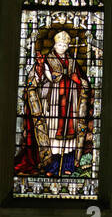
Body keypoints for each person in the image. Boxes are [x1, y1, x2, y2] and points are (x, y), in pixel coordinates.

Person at [15, 29, 92, 178]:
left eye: (64, 45)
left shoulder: (72, 62)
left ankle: (68, 166)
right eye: (59, 45)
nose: (62, 48)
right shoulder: (47, 60)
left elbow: (84, 83)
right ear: (54, 45)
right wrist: (42, 71)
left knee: (69, 138)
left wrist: (77, 81)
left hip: (71, 105)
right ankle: (51, 166)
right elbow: (35, 80)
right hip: (53, 104)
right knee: (52, 137)